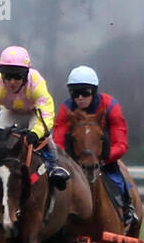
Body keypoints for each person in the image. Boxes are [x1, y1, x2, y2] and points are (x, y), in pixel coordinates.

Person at [0, 45, 70, 196]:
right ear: (1, 75)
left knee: (46, 139)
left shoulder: (36, 82)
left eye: (17, 77)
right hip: (10, 112)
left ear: (25, 75)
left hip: (33, 113)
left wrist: (37, 133)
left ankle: (54, 167)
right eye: (7, 76)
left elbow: (46, 113)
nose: (12, 82)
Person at [53, 66, 136, 230]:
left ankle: (128, 208)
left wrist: (106, 156)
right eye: (75, 93)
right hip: (76, 160)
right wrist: (71, 162)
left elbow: (121, 142)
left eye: (85, 92)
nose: (80, 98)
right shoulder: (66, 109)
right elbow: (58, 142)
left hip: (104, 157)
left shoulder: (111, 105)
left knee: (117, 177)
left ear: (94, 91)